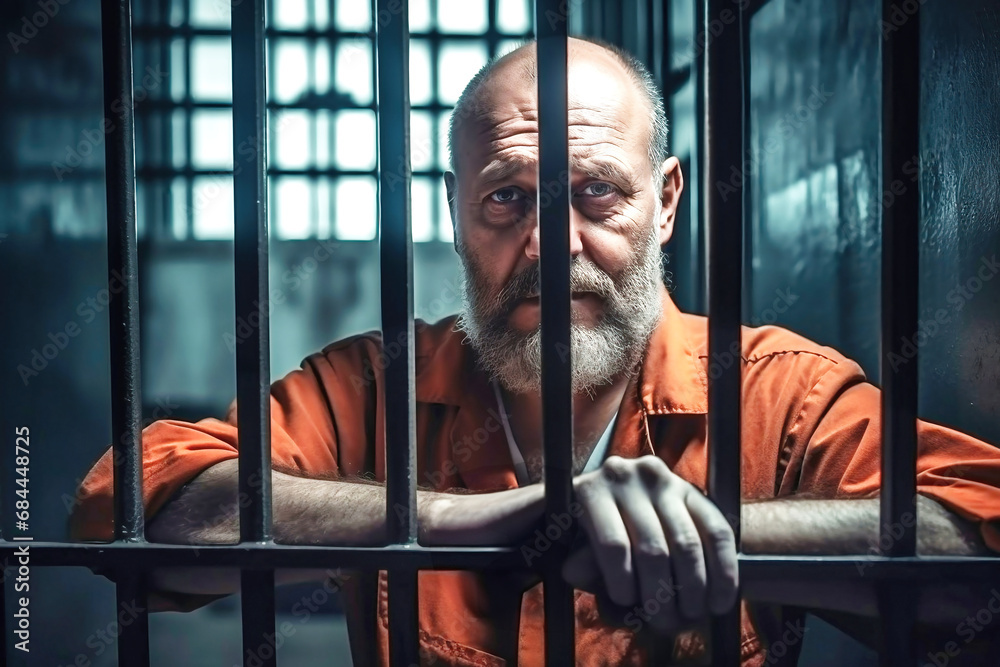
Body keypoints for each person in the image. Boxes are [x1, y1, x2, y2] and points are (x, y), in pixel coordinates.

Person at [70, 38, 1000, 666]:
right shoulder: (371, 388)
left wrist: (696, 531)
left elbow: (979, 540)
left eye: (597, 190)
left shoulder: (775, 392)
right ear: (455, 213)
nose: (551, 245)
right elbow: (131, 510)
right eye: (508, 197)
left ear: (667, 200)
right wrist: (470, 517)